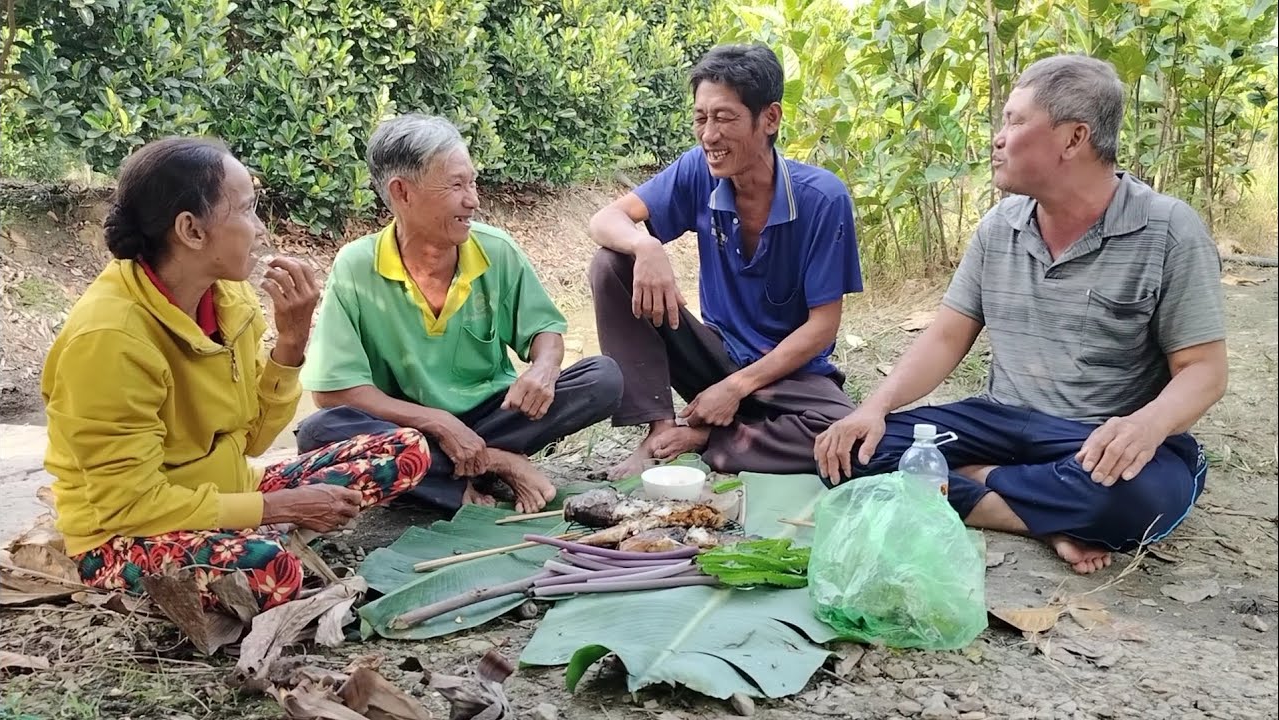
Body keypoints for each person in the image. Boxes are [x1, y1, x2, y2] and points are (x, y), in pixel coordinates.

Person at [814, 55, 1228, 575]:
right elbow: (946, 337)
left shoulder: (1168, 229)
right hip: (1000, 419)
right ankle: (1046, 517)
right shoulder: (999, 225)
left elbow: (1204, 371)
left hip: (1096, 436)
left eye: (1014, 120)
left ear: (1074, 139)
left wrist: (1146, 426)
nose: (998, 137)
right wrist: (874, 406)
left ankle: (976, 480)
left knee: (1134, 503)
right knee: (850, 452)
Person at [41, 138, 431, 611]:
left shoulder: (231, 300)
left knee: (405, 449)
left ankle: (255, 533)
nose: (261, 228)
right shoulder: (108, 339)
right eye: (247, 210)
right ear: (191, 230)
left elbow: (250, 442)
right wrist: (280, 508)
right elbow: (131, 504)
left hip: (229, 495)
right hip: (122, 534)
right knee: (271, 570)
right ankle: (265, 539)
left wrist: (290, 344)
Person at [296, 114, 623, 514]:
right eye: (456, 185)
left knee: (603, 377)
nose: (473, 199)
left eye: (472, 182)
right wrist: (437, 422)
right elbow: (333, 390)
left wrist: (544, 369)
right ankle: (498, 463)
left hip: (496, 416)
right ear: (402, 193)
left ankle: (445, 475)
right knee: (319, 432)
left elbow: (545, 332)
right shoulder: (356, 266)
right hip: (411, 427)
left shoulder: (495, 250)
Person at [588, 44, 863, 480]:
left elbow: (822, 327)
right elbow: (606, 219)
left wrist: (736, 388)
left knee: (841, 436)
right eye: (701, 118)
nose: (709, 135)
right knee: (611, 264)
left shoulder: (823, 198)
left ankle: (703, 437)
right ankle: (660, 431)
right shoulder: (698, 170)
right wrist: (647, 248)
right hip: (714, 355)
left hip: (788, 374)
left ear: (769, 118)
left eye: (725, 118)